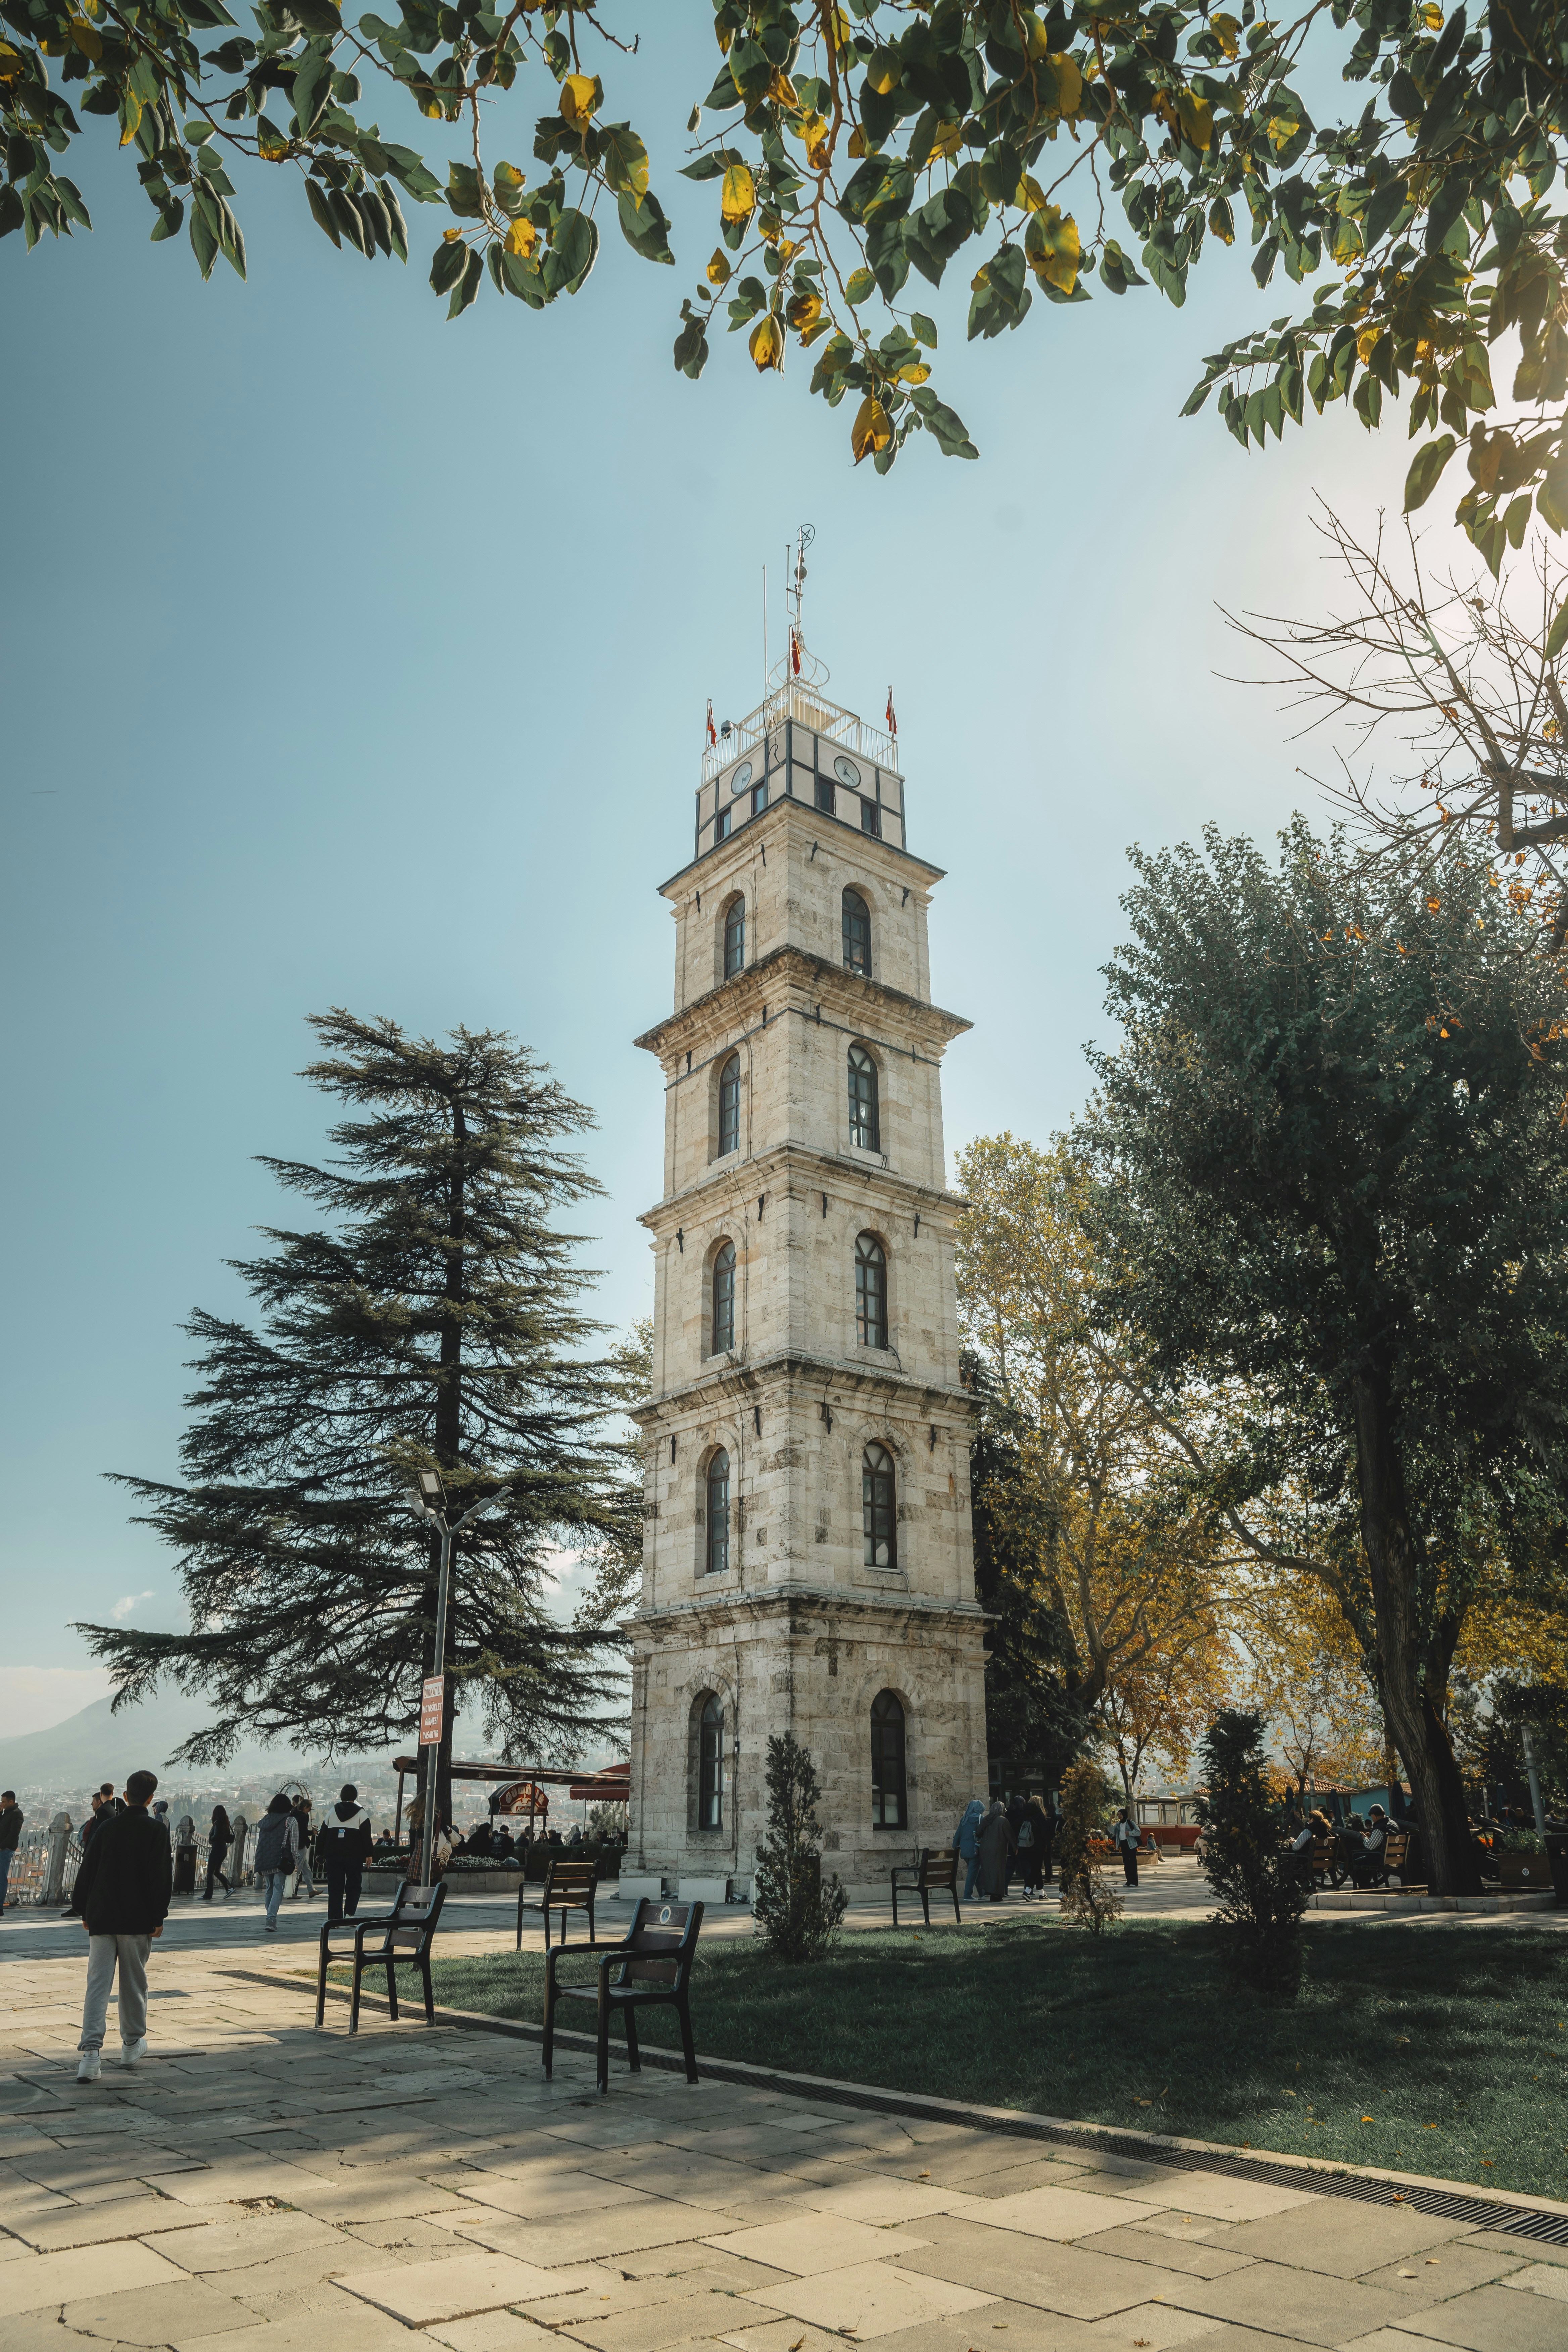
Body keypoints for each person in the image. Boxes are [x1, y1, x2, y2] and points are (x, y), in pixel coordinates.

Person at [73, 1769, 172, 2081]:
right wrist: (159, 1916)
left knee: (97, 1985)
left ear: (125, 1796)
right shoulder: (156, 1831)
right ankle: (131, 2044)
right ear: (151, 1798)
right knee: (134, 1983)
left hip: (102, 1916)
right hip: (137, 1918)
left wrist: (83, 1909)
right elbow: (161, 1878)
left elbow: (88, 1870)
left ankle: (90, 2056)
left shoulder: (107, 1828)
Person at [318, 1784, 374, 1924]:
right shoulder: (362, 1813)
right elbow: (366, 1837)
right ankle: (349, 1913)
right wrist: (369, 1854)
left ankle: (334, 1918)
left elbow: (323, 1834)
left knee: (335, 1887)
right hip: (354, 1856)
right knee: (354, 1884)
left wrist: (320, 1853)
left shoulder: (332, 1811)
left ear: (342, 1796)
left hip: (333, 1856)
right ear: (355, 1797)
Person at [253, 1794, 299, 1932]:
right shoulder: (291, 1821)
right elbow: (295, 1844)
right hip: (281, 1859)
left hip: (265, 1859)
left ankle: (270, 1917)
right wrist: (296, 1861)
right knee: (278, 1889)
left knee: (270, 1889)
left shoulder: (265, 1821)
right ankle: (271, 1919)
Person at [977, 1799, 1013, 1900]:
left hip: (985, 1849)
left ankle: (990, 1891)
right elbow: (1010, 1835)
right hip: (999, 1850)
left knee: (988, 1871)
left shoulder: (986, 1819)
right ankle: (997, 1894)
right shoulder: (1003, 1820)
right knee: (998, 1872)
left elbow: (979, 1832)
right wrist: (1015, 1847)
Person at [954, 1797, 987, 1902]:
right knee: (973, 1872)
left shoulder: (964, 1819)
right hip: (975, 1850)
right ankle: (968, 1895)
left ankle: (983, 1893)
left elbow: (958, 1834)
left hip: (964, 1850)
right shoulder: (981, 1818)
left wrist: (955, 1846)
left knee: (975, 1871)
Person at [202, 1806, 233, 1901]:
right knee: (216, 1872)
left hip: (217, 1849)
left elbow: (216, 1836)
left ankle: (208, 1895)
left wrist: (211, 1838)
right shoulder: (226, 1823)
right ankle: (230, 1888)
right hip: (223, 1849)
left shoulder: (218, 1824)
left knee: (210, 1873)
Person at [290, 1798, 316, 1900]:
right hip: (301, 1845)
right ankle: (293, 1891)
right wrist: (312, 1833)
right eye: (309, 1809)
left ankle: (311, 1890)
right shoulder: (304, 1817)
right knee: (299, 1870)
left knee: (306, 1869)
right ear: (305, 1808)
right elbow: (303, 1831)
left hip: (293, 1843)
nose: (309, 1811)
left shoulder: (294, 1813)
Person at [0, 1791, 22, 1911]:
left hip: (6, 1850)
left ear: (11, 1802)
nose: (2, 1803)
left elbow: (14, 1834)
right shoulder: (6, 1813)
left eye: (4, 1802)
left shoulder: (17, 1814)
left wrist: (2, 1846)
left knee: (1, 1879)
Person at [1112, 1807, 1140, 1886]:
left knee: (1133, 1864)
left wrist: (1130, 1833)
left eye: (1121, 1814)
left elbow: (1138, 1832)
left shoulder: (1130, 1823)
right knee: (1126, 1864)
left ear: (1124, 1814)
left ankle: (1135, 1882)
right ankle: (1129, 1881)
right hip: (1123, 1845)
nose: (1119, 1816)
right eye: (1118, 1815)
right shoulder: (1118, 1825)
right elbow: (1112, 1830)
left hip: (1131, 1845)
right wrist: (1110, 1821)